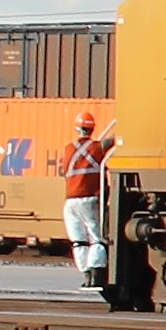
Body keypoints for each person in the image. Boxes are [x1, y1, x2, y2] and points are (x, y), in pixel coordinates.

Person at [58, 112, 114, 278]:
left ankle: (85, 273)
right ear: (92, 129)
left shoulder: (68, 149)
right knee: (96, 237)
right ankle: (96, 272)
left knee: (79, 240)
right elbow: (111, 141)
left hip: (70, 202)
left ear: (77, 128)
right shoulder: (97, 148)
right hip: (89, 199)